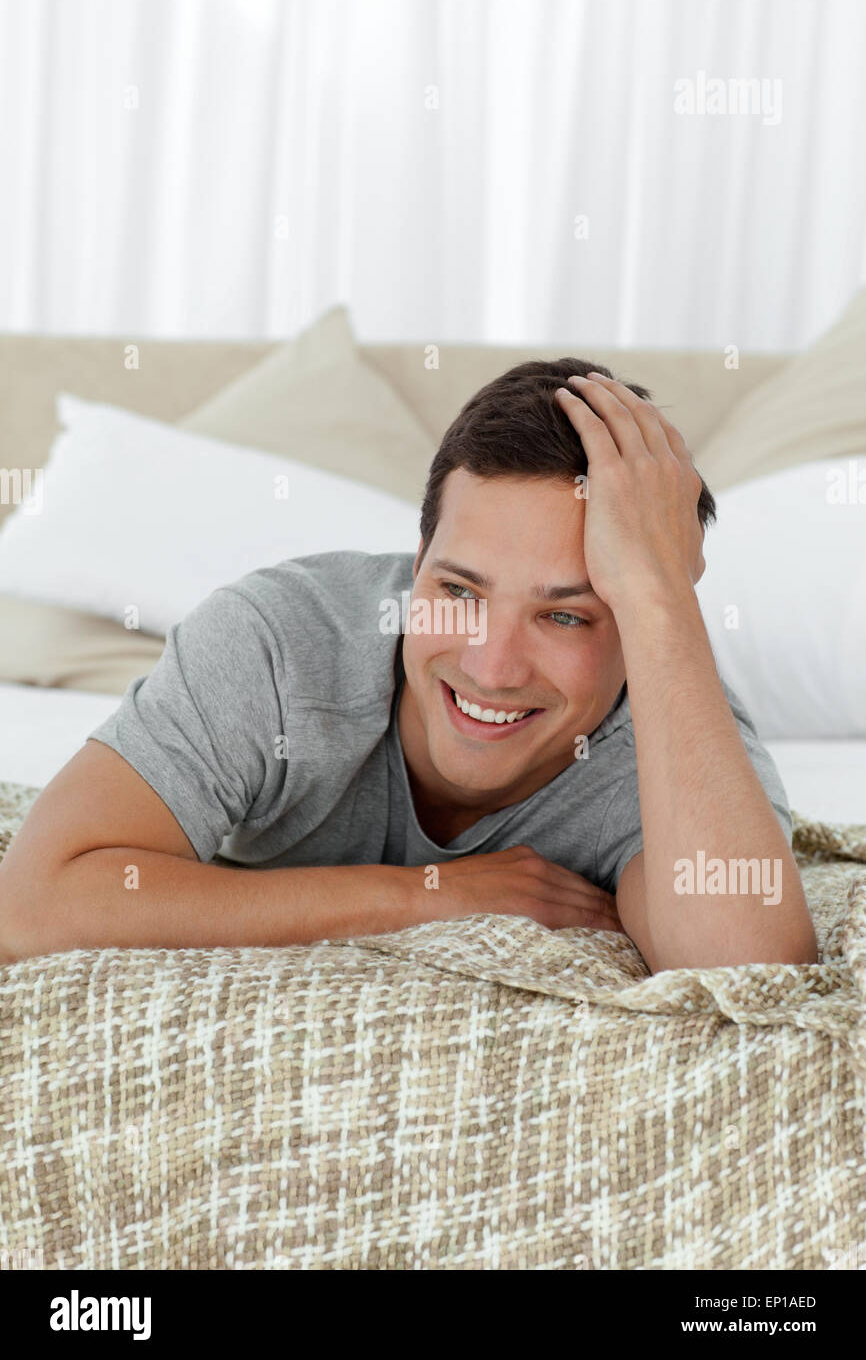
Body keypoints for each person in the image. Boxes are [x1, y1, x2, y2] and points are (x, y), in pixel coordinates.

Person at [0, 360, 818, 973]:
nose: (492, 667)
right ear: (418, 558)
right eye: (458, 591)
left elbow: (747, 970)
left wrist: (662, 598)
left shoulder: (678, 742)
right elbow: (33, 906)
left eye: (565, 615)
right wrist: (429, 895)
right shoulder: (278, 648)